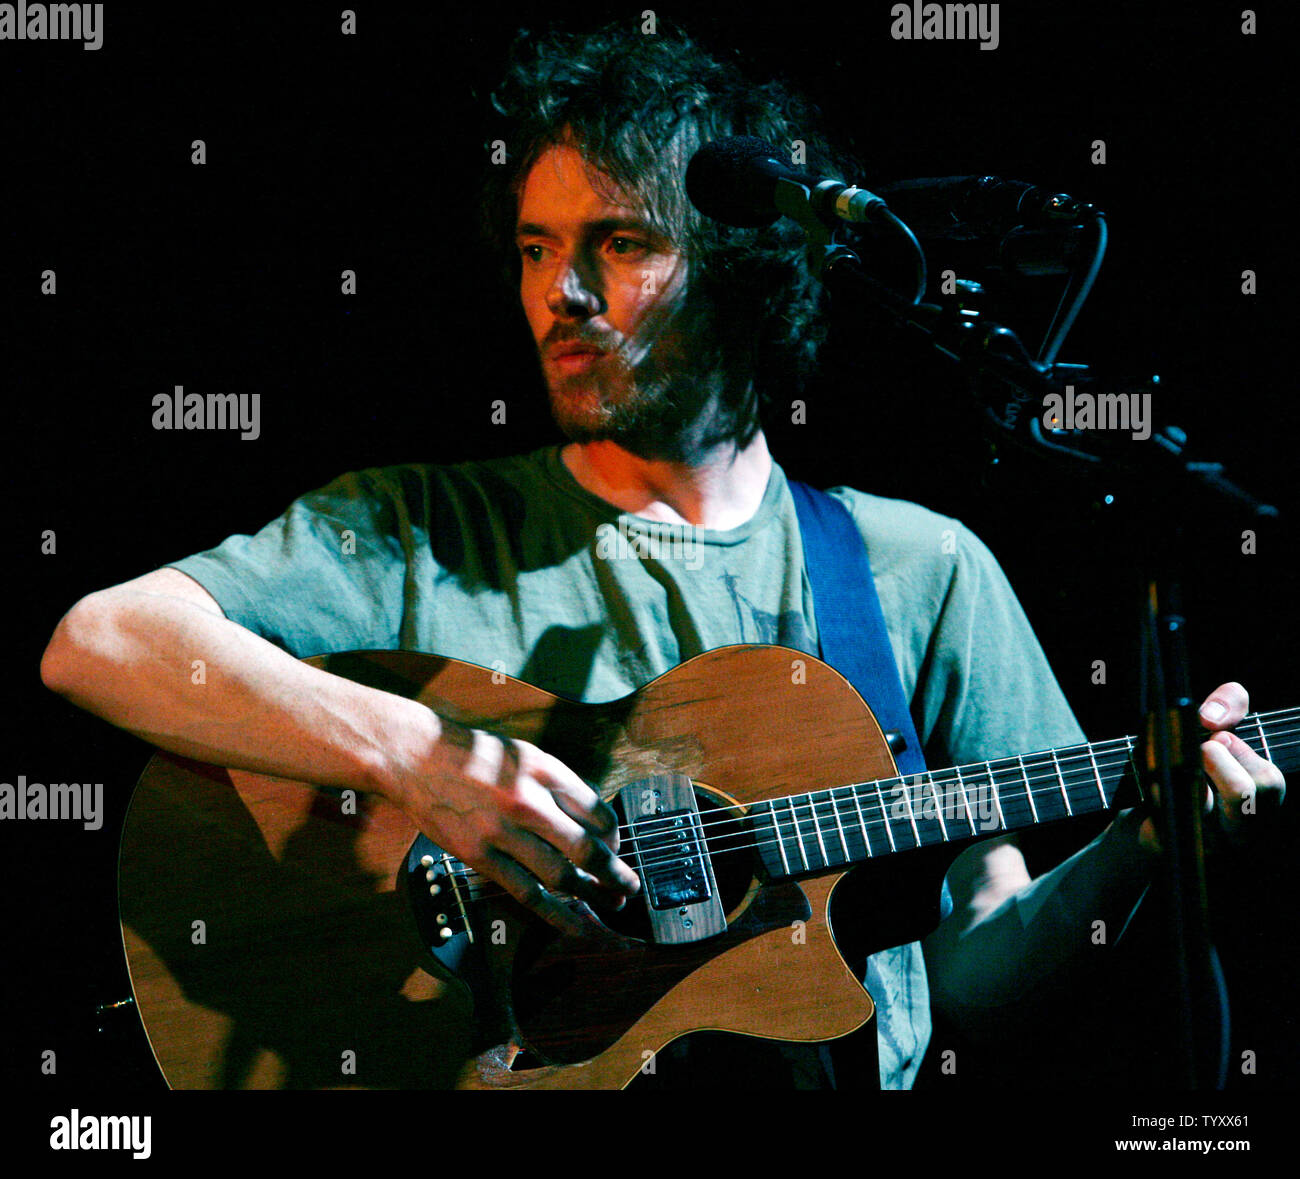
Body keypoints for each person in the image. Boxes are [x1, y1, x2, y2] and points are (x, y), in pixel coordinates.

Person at [39, 22, 1283, 1089]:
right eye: (534, 247)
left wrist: (1140, 841)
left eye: (620, 245)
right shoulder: (418, 525)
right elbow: (99, 642)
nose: (560, 293)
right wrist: (419, 757)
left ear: (743, 272)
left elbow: (978, 965)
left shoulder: (920, 567)